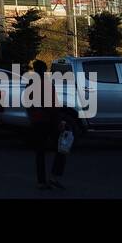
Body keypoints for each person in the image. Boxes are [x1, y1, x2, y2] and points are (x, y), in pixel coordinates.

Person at [26, 59, 69, 190]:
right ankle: (54, 177)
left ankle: (41, 181)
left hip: (36, 122)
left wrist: (32, 117)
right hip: (49, 121)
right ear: (45, 70)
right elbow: (53, 106)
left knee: (40, 152)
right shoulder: (47, 84)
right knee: (61, 149)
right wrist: (60, 121)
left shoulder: (29, 85)